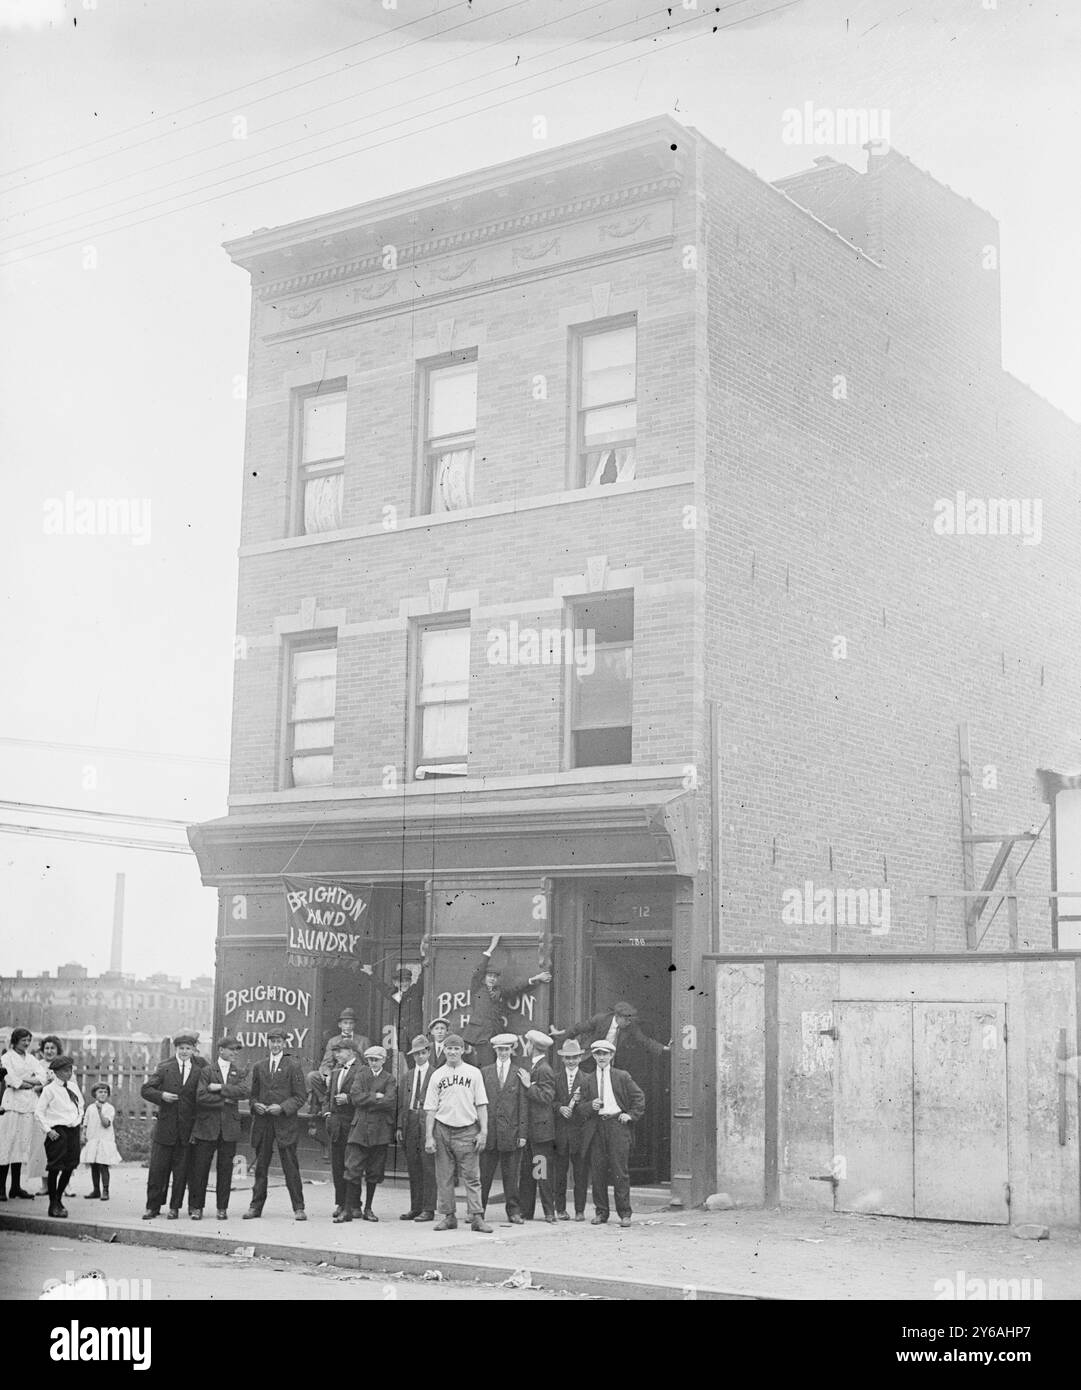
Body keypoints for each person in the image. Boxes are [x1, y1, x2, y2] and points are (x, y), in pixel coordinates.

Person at [423, 1033, 492, 1233]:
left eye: (456, 1048)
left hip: (467, 1129)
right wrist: (429, 1136)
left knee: (471, 1176)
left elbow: (482, 1105)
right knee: (443, 1176)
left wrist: (483, 1132)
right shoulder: (437, 1075)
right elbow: (430, 1109)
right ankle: (449, 1216)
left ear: (462, 1050)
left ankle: (477, 1216)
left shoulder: (473, 1073)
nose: (452, 1052)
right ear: (444, 1050)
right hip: (443, 1129)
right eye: (449, 1048)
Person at [140, 1031, 205, 1220]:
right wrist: (162, 1096)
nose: (184, 1052)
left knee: (181, 1171)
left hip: (186, 1131)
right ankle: (152, 1206)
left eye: (188, 1048)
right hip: (165, 1130)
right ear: (176, 1049)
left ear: (194, 1050)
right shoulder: (165, 1068)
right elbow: (146, 1089)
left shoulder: (198, 1070)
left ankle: (175, 1207)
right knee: (158, 1170)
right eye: (181, 1048)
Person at [245, 1027, 308, 1221]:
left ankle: (298, 1208)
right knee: (261, 1167)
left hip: (285, 1124)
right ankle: (255, 1207)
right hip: (263, 1124)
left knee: (290, 1166)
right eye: (272, 1041)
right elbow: (252, 1095)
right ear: (268, 1043)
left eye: (279, 1041)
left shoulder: (293, 1066)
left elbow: (300, 1097)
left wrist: (281, 1108)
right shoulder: (259, 1066)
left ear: (284, 1044)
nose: (275, 1045)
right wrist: (256, 1106)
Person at [463, 933, 551, 1069]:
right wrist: (492, 947)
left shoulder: (500, 992)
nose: (492, 979)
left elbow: (517, 988)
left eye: (494, 977)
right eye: (489, 976)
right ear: (484, 978)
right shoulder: (477, 988)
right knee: (485, 1069)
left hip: (497, 1035)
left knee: (498, 1068)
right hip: (481, 1036)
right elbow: (478, 970)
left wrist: (536, 978)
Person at [188, 1035, 249, 1221]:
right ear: (220, 1050)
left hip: (229, 1129)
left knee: (225, 1171)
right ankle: (196, 1207)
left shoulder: (237, 1072)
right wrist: (225, 1100)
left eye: (237, 1050)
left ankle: (222, 1208)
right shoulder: (206, 1071)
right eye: (231, 1049)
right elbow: (201, 1097)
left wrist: (219, 1087)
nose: (234, 1053)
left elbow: (245, 1091)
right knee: (200, 1169)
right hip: (207, 1127)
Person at [587, 1038, 645, 1228]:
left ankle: (625, 1213)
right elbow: (579, 1107)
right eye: (598, 1054)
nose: (601, 1057)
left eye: (605, 1054)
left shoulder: (621, 1076)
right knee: (598, 1172)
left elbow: (639, 1097)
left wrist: (630, 1115)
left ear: (611, 1056)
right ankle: (601, 1212)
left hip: (617, 1126)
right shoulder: (587, 1079)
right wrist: (590, 1105)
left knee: (620, 1171)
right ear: (593, 1056)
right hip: (597, 1127)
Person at [337, 1045, 396, 1223]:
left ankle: (368, 1208)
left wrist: (368, 1098)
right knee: (352, 1169)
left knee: (374, 1171)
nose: (373, 1063)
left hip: (380, 1131)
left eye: (376, 1059)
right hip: (360, 1129)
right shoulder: (361, 1075)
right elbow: (355, 1097)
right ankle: (347, 1209)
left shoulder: (389, 1079)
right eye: (370, 1059)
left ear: (384, 1060)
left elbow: (390, 1101)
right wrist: (376, 1096)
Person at [478, 1033, 527, 1224]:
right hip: (489, 1132)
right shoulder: (485, 1072)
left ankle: (513, 1211)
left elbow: (523, 1105)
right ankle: (478, 1211)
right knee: (484, 1175)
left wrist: (522, 1133)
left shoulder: (518, 1072)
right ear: (494, 1050)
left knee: (511, 1175)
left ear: (512, 1050)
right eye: (500, 1049)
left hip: (511, 1133)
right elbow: (479, 1103)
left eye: (506, 1049)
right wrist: (480, 1130)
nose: (503, 1053)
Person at [0, 1027, 48, 1200]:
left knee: (21, 1145)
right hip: (12, 1104)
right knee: (7, 1144)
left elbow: (43, 1077)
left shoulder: (32, 1058)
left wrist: (25, 1081)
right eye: (23, 1040)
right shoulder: (6, 1058)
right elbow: (10, 1079)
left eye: (29, 1040)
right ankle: (1, 1189)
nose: (27, 1044)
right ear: (15, 1041)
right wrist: (25, 1082)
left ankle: (15, 1187)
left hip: (28, 1105)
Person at [552, 1038, 597, 1221]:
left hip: (580, 1135)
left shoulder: (587, 1079)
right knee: (560, 1175)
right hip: (561, 1135)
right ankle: (560, 1210)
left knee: (580, 1175)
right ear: (563, 1059)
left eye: (574, 1057)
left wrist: (578, 1105)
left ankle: (579, 1211)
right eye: (567, 1058)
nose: (571, 1061)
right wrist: (559, 1108)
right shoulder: (555, 1078)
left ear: (580, 1058)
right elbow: (550, 1101)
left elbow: (591, 1106)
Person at [34, 1053, 83, 1218]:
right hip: (57, 1132)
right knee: (56, 1167)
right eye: (64, 1070)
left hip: (72, 1130)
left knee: (70, 1166)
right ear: (55, 1072)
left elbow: (80, 1106)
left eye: (70, 1069)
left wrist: (77, 1121)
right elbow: (39, 1113)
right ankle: (52, 1204)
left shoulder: (73, 1087)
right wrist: (48, 1130)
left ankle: (59, 1198)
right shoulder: (49, 1090)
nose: (68, 1073)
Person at [517, 1029, 557, 1222]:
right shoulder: (536, 1066)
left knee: (540, 1173)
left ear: (532, 1046)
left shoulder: (544, 1069)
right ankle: (527, 1211)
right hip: (532, 1131)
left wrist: (528, 1086)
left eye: (528, 1043)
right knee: (528, 1172)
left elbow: (547, 1097)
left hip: (540, 1133)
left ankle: (549, 1212)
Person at [396, 1035, 437, 1221]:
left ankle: (429, 1208)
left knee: (428, 1167)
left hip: (427, 1122)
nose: (420, 1057)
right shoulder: (408, 1076)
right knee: (413, 1166)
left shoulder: (436, 1074)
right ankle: (415, 1206)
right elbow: (401, 1103)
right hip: (410, 1122)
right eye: (416, 1054)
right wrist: (399, 1126)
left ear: (428, 1052)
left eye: (423, 1052)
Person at [563, 1001, 670, 1072]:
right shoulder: (601, 1019)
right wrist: (563, 1038)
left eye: (630, 1020)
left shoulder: (630, 1026)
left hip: (611, 1062)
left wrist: (664, 1048)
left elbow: (644, 1040)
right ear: (617, 1017)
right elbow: (579, 1028)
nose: (629, 1022)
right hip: (591, 1057)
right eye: (626, 1019)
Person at [305, 1008, 369, 1115]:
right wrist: (327, 1075)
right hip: (337, 1074)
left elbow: (367, 1063)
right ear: (340, 1025)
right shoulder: (333, 1041)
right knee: (312, 1077)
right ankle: (328, 1104)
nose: (348, 1026)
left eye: (351, 1023)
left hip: (355, 1076)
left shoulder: (363, 1041)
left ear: (354, 1025)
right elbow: (326, 1063)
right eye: (345, 1023)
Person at [323, 1039, 359, 1220]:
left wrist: (349, 1099)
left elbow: (363, 1094)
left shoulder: (361, 1070)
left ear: (351, 1052)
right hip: (335, 1124)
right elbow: (327, 1096)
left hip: (352, 1123)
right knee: (337, 1165)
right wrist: (327, 1114)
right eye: (335, 1051)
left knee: (351, 1165)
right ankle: (340, 1202)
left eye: (341, 1051)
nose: (337, 1055)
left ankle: (353, 1204)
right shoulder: (336, 1072)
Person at [30, 1036, 64, 1195]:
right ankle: (45, 1185)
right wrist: (45, 1085)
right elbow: (33, 1088)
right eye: (47, 1048)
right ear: (42, 1050)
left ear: (58, 1050)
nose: (49, 1051)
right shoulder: (38, 1066)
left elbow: (70, 1088)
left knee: (61, 1148)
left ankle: (65, 1185)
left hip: (59, 1111)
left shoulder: (64, 1066)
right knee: (43, 1149)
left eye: (53, 1048)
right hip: (42, 1111)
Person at [81, 1083, 120, 1201]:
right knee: (94, 1165)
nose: (103, 1094)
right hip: (93, 1139)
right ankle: (96, 1190)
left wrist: (100, 1111)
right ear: (95, 1094)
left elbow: (106, 1123)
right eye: (100, 1092)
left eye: (105, 1092)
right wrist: (83, 1134)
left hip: (104, 1140)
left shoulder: (109, 1108)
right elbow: (86, 1123)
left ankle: (105, 1190)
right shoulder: (90, 1108)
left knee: (103, 1165)